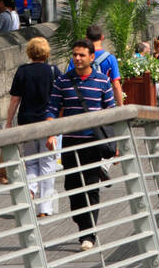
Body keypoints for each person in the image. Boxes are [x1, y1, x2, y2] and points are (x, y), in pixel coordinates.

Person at [45, 38, 115, 251]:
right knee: (72, 189)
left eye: (81, 55)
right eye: (75, 54)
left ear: (91, 58)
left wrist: (115, 143)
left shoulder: (103, 82)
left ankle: (88, 234)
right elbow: (52, 108)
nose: (77, 58)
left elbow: (111, 113)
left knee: (91, 187)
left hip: (93, 143)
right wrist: (50, 133)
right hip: (70, 142)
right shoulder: (63, 81)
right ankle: (83, 223)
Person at [6, 36, 60, 218]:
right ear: (46, 52)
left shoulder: (22, 71)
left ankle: (30, 190)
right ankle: (44, 208)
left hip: (26, 122)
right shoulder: (53, 71)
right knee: (48, 164)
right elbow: (60, 98)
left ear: (29, 52)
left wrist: (8, 122)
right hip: (48, 123)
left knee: (30, 162)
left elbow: (15, 99)